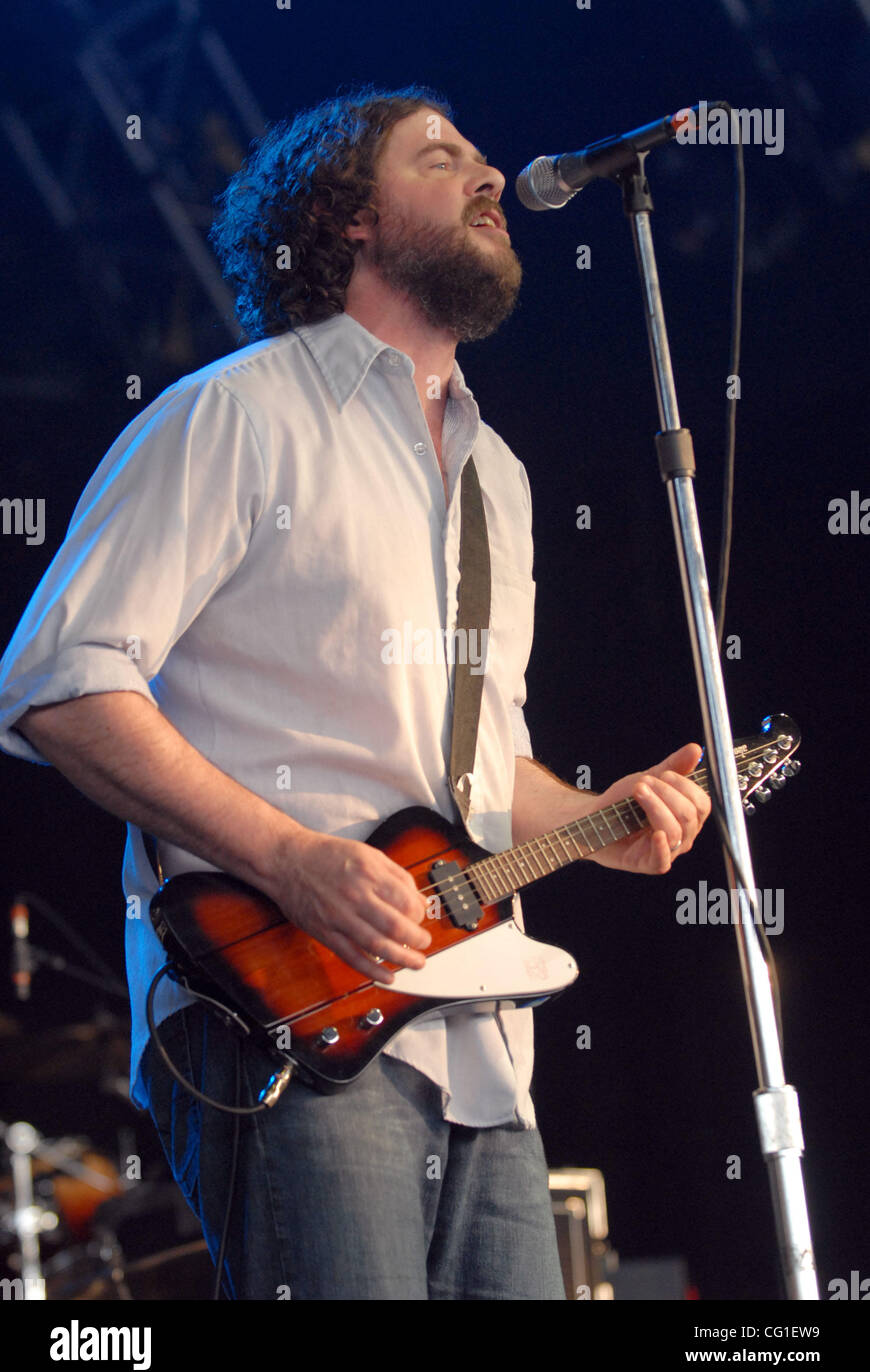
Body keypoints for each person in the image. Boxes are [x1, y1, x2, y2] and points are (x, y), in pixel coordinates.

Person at [0, 84, 710, 1300]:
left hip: (483, 1035)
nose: (491, 176)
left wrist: (606, 822)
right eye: (443, 157)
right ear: (350, 221)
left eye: (487, 155)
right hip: (283, 1008)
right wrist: (290, 856)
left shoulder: (501, 477)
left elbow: (481, 771)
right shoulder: (233, 415)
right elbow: (56, 683)